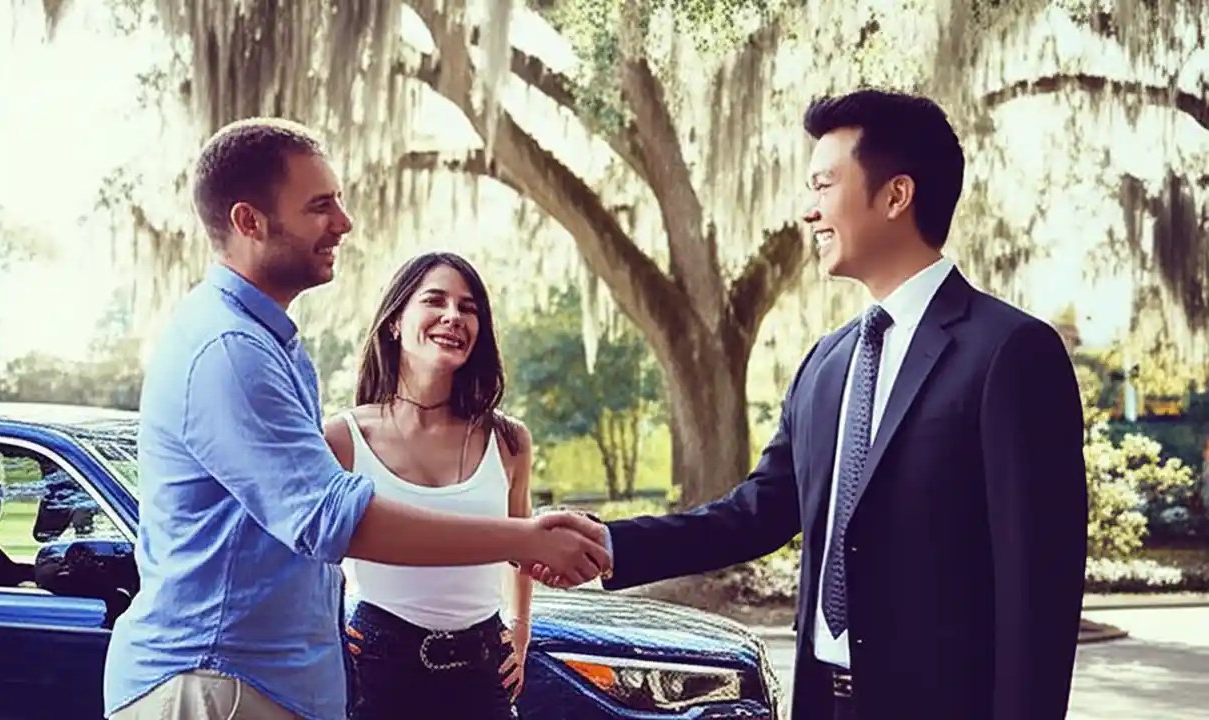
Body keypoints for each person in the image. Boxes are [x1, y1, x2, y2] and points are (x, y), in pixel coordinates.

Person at [534, 89, 1088, 720]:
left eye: (824, 185)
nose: (808, 211)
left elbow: (1037, 589)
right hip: (825, 700)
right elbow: (757, 514)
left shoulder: (1010, 353)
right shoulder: (827, 363)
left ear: (896, 195)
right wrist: (610, 545)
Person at [103, 118, 609, 720]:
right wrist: (525, 538)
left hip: (264, 682)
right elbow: (332, 521)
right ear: (249, 221)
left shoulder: (265, 343)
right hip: (217, 681)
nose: (343, 223)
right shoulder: (230, 351)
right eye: (320, 205)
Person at [324, 251, 532, 719]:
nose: (453, 316)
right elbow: (308, 552)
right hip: (376, 667)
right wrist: (330, 629)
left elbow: (523, 547)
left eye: (468, 308)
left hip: (484, 671)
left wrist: (520, 629)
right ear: (395, 322)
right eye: (435, 300)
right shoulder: (341, 439)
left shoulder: (509, 440)